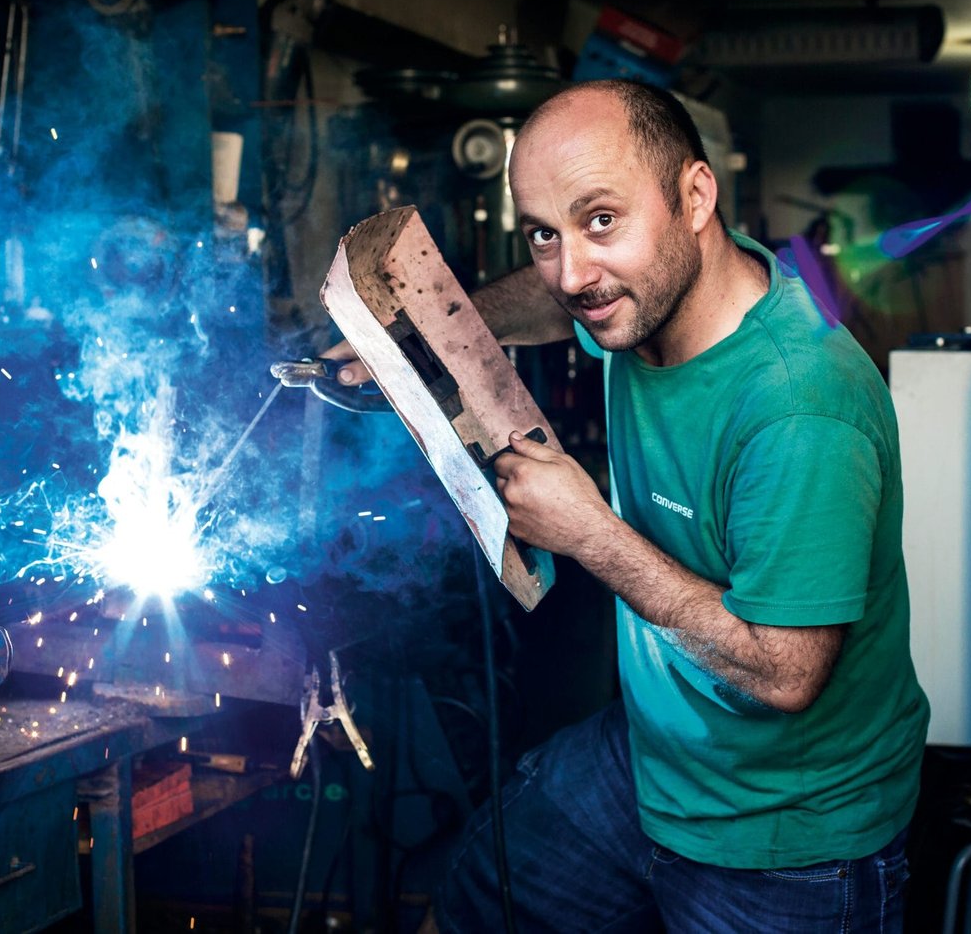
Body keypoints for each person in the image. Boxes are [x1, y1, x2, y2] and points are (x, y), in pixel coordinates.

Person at [326, 79, 928, 932]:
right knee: (475, 901)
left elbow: (787, 672)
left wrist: (589, 533)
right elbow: (554, 295)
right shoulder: (646, 292)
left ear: (694, 196)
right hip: (651, 753)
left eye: (600, 219)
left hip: (788, 828)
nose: (572, 271)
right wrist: (433, 327)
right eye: (544, 232)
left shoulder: (800, 408)